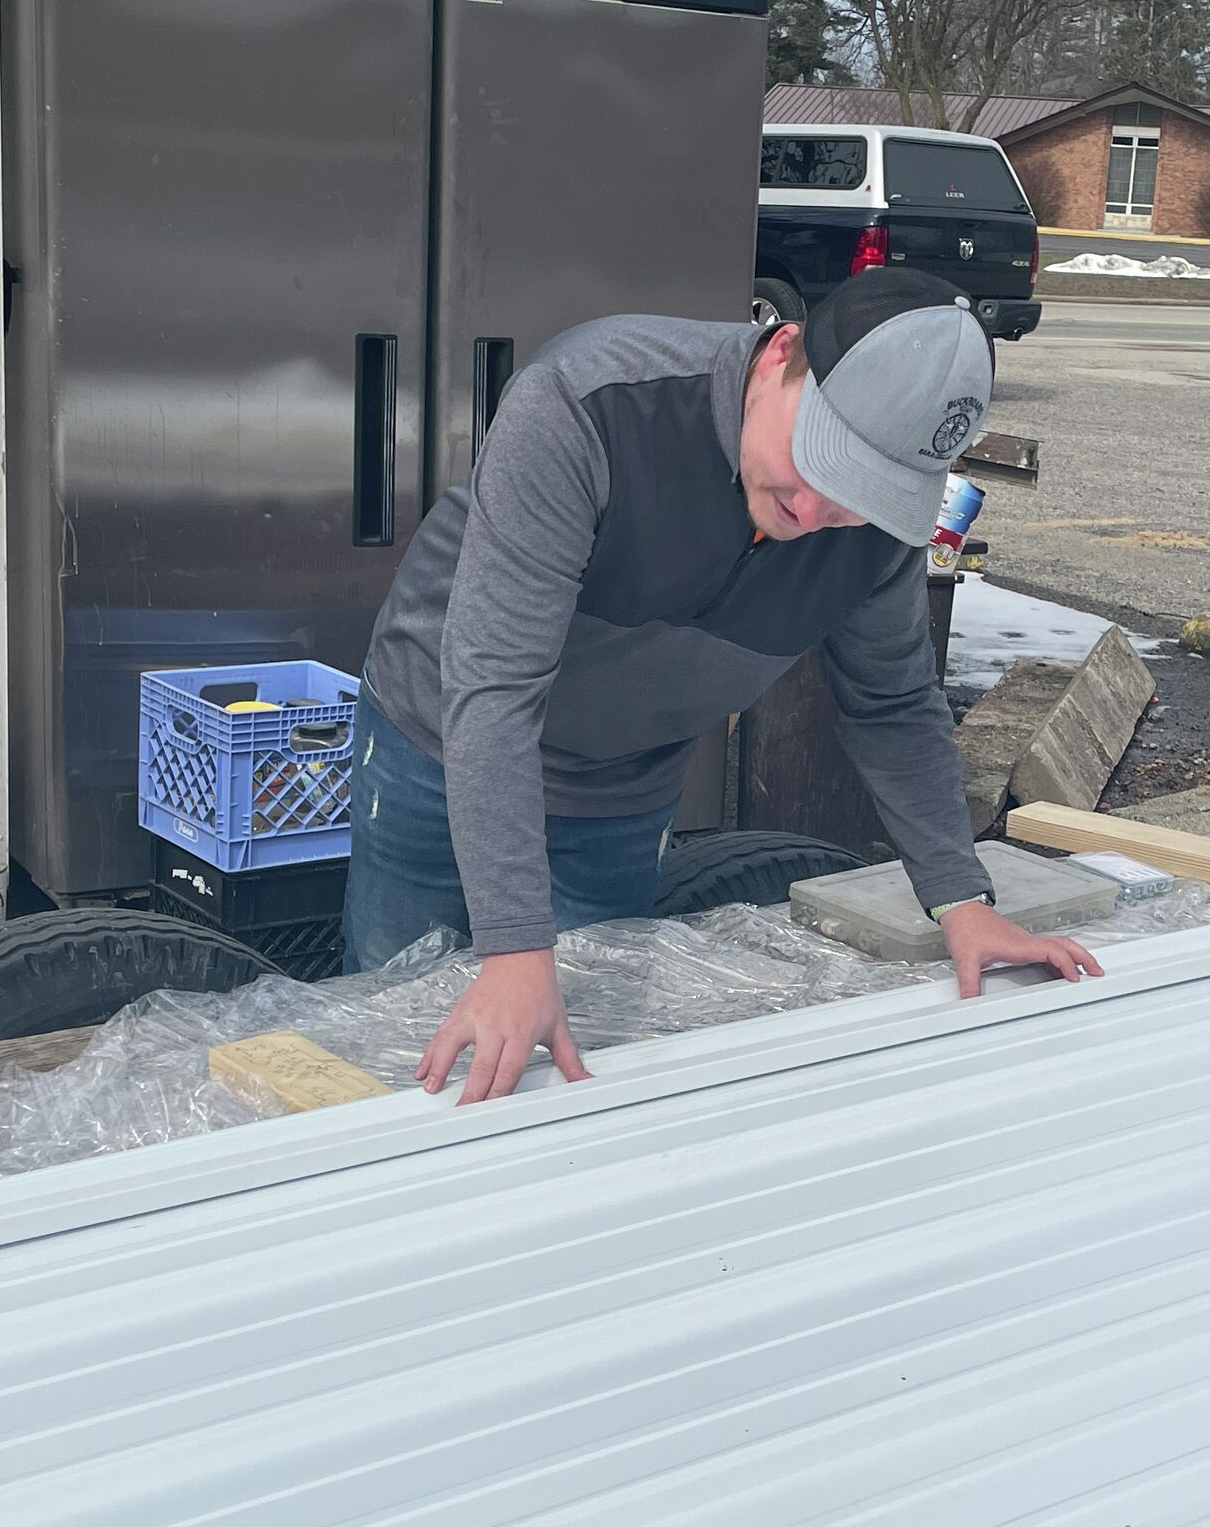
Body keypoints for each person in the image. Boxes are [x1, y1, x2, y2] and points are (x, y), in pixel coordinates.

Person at [345, 268, 1103, 1104]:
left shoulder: (877, 533)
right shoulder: (593, 401)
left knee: (577, 1063)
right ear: (781, 354)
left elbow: (891, 702)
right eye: (817, 457)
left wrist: (960, 897)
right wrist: (518, 950)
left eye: (857, 493)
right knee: (393, 1035)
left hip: (620, 781)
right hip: (442, 741)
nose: (814, 512)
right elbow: (494, 685)